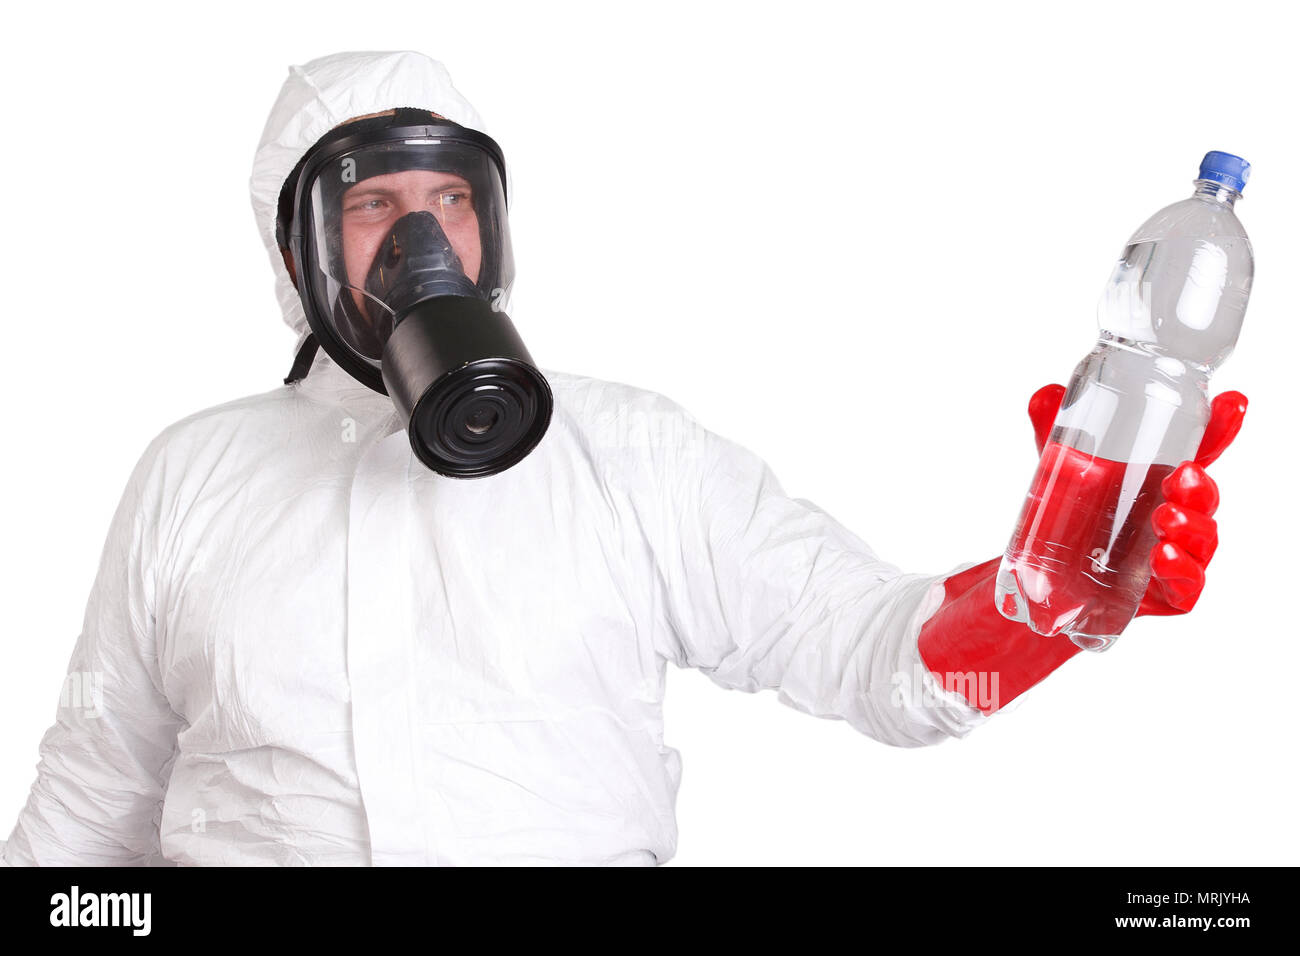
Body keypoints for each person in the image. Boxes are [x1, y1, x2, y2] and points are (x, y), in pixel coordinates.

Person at [0, 50, 1246, 867]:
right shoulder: (193, 475)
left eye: (450, 199)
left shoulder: (629, 451)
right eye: (373, 204)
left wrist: (1042, 598)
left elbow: (874, 659)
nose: (422, 240)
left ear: (493, 223)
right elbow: (96, 791)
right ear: (299, 249)